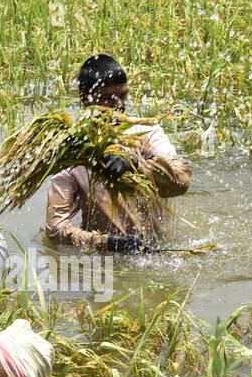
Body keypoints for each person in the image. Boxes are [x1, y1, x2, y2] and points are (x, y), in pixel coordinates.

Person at [45, 54, 192, 252]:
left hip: (163, 250)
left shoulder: (147, 133)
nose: (118, 105)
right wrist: (107, 242)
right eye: (107, 99)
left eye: (122, 95)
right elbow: (55, 230)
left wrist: (137, 164)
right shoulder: (74, 155)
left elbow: (182, 181)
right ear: (84, 97)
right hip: (109, 258)